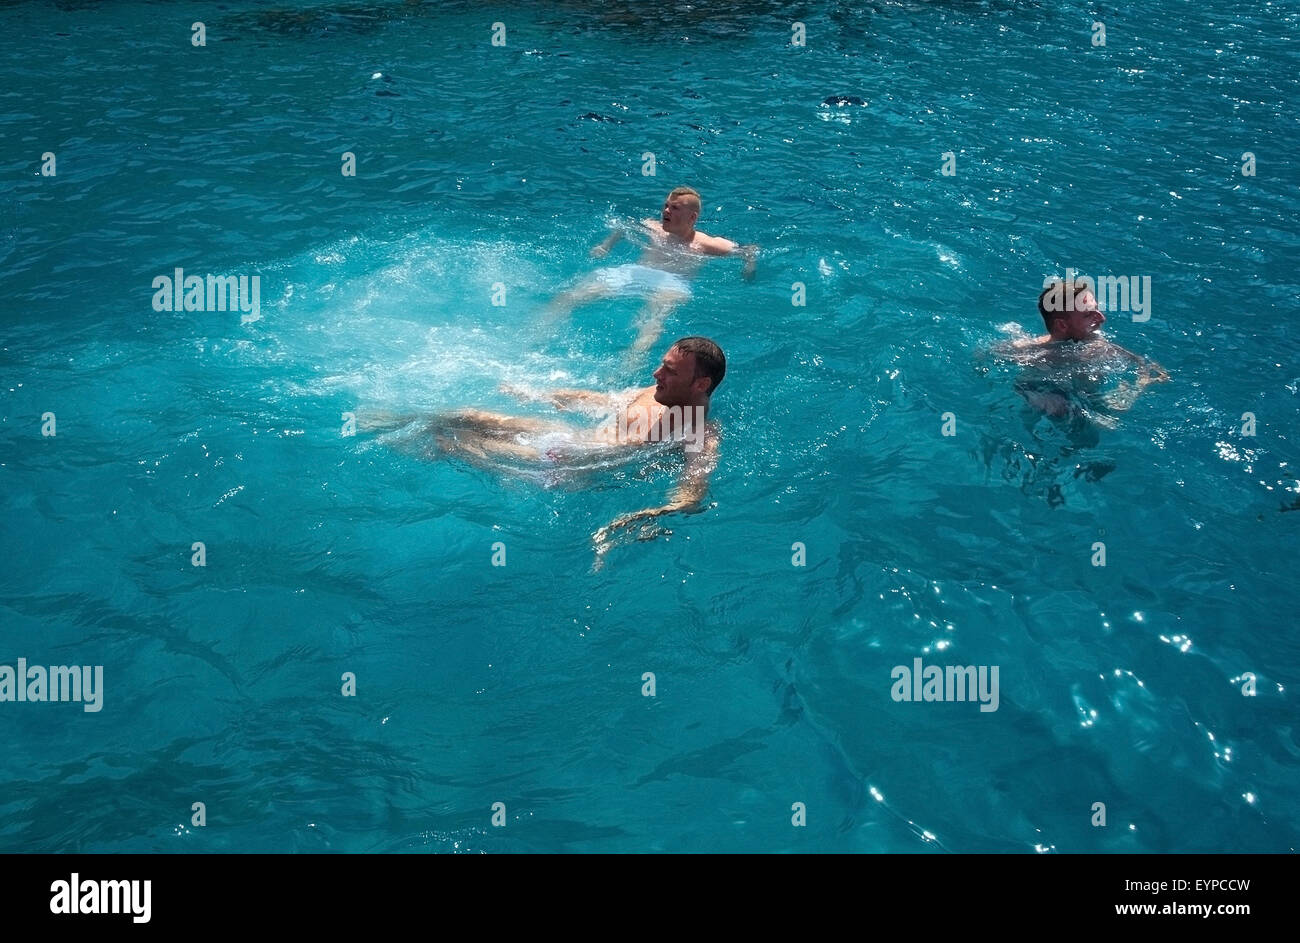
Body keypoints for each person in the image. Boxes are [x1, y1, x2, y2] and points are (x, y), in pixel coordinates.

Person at [358, 337, 726, 561]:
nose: (656, 375)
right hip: (565, 435)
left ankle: (396, 456)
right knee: (466, 415)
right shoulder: (657, 392)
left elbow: (691, 495)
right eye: (661, 365)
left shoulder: (698, 432)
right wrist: (538, 395)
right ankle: (382, 421)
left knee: (459, 443)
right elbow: (600, 400)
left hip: (568, 465)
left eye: (669, 371)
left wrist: (635, 519)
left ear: (700, 384)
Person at [546, 187, 756, 357]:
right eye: (666, 206)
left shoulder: (706, 245)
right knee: (570, 296)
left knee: (650, 322)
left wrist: (749, 267)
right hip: (637, 272)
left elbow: (749, 251)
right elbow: (624, 226)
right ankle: (538, 335)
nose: (666, 211)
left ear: (692, 218)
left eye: (674, 208)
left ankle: (631, 362)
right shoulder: (652, 228)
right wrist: (605, 245)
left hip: (672, 283)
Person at [1000, 277, 1169, 422]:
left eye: (1097, 309)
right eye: (1088, 315)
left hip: (1084, 407)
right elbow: (987, 360)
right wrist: (1034, 397)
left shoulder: (1100, 346)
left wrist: (1129, 392)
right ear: (1062, 325)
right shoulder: (1031, 351)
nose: (1102, 318)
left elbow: (1147, 368)